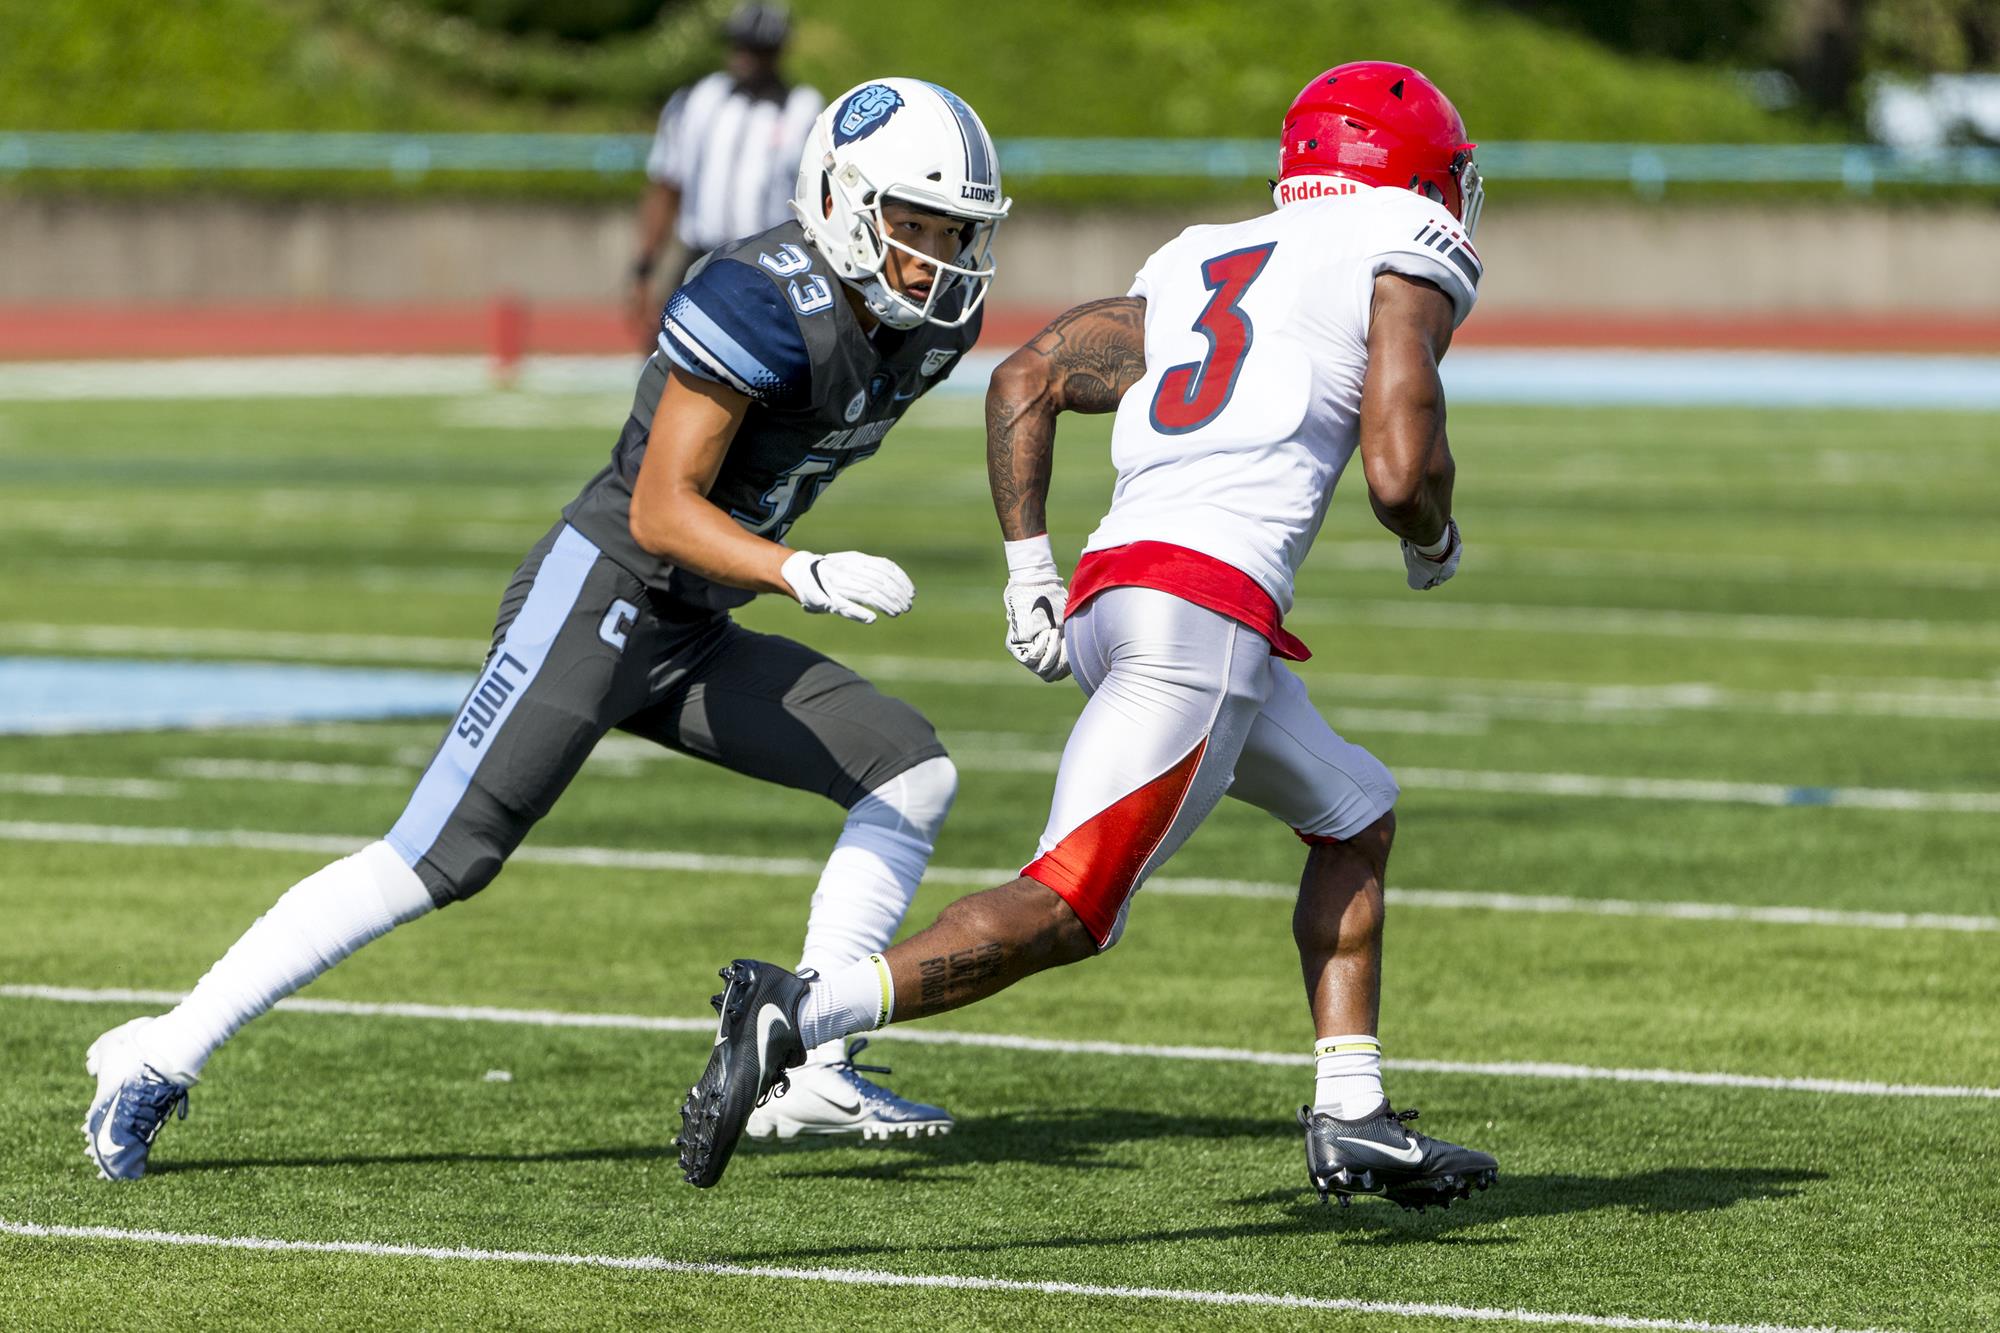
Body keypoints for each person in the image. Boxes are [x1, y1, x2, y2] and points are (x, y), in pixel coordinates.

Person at [82, 78, 1012, 1180]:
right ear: (842, 200)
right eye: (912, 224)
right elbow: (658, 509)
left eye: (952, 231)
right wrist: (797, 569)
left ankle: (810, 1062)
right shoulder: (760, 299)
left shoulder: (931, 330)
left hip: (696, 621)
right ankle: (156, 1058)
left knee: (909, 772)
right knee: (438, 858)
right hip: (604, 594)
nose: (935, 256)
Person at [679, 62, 1501, 1210]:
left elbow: (1027, 373)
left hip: (1117, 597)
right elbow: (1400, 469)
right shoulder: (1403, 236)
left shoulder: (1206, 253)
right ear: (1416, 178)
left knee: (1353, 812)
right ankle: (798, 1011)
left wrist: (1031, 571)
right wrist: (1433, 537)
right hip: (1200, 615)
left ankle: (1352, 1114)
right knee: (1066, 907)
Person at [626, 3, 825, 350]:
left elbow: (821, 202)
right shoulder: (697, 100)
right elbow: (667, 186)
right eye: (740, 45)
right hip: (701, 259)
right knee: (666, 354)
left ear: (778, 51)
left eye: (759, 48)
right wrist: (644, 269)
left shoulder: (805, 109)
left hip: (769, 267)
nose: (746, 57)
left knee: (767, 361)